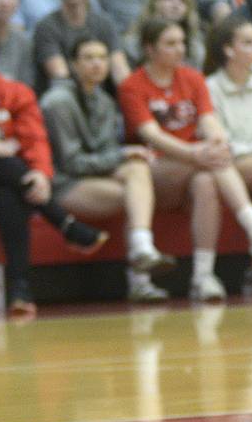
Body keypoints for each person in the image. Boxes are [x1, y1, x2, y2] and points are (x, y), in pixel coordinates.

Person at [0, 29, 105, 317]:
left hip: (10, 185)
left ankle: (20, 290)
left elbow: (35, 140)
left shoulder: (17, 93)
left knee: (8, 193)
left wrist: (41, 174)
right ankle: (62, 221)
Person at [119, 16, 252, 301]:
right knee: (210, 163)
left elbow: (208, 120)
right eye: (170, 43)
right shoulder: (132, 85)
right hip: (155, 168)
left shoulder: (192, 79)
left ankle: (203, 276)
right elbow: (152, 134)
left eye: (182, 42)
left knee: (207, 181)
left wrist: (217, 139)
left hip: (195, 163)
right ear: (150, 49)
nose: (180, 49)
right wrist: (197, 152)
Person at [41, 36, 174, 301]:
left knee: (138, 169)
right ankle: (140, 278)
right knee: (135, 195)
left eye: (102, 58)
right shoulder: (58, 102)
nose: (97, 64)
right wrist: (122, 154)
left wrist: (124, 156)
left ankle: (142, 248)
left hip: (93, 176)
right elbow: (72, 163)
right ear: (73, 64)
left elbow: (103, 156)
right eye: (89, 58)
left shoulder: (104, 101)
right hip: (61, 184)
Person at [204, 13, 252, 294]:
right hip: (229, 168)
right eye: (248, 42)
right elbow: (220, 143)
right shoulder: (210, 88)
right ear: (228, 49)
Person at [32, 0, 130, 87]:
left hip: (102, 94)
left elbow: (120, 70)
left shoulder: (105, 23)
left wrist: (130, 91)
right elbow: (59, 75)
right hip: (67, 93)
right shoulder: (46, 26)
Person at [123, 0, 206, 66]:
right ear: (155, 2)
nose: (176, 4)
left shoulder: (195, 45)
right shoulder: (134, 41)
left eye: (183, 0)